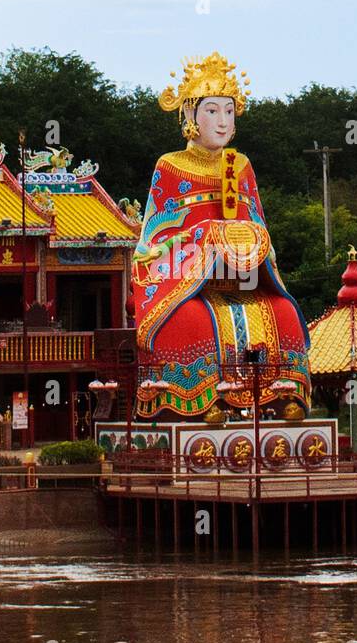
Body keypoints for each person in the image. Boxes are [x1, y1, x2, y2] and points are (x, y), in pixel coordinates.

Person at [131, 52, 310, 421]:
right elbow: (153, 240)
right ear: (190, 116)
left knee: (286, 312)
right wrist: (205, 235)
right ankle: (201, 400)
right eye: (212, 111)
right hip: (185, 282)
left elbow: (258, 221)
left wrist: (252, 238)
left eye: (229, 111)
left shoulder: (241, 166)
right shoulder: (169, 166)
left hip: (242, 278)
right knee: (193, 320)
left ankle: (281, 399)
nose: (222, 121)